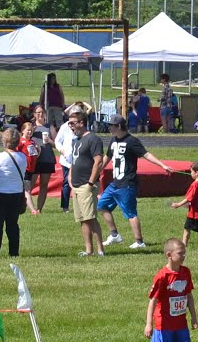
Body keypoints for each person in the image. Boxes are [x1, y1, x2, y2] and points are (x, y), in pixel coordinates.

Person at [100, 114, 172, 251]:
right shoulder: (113, 140)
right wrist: (98, 170)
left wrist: (162, 165)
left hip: (127, 184)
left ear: (119, 126)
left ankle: (139, 242)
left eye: (112, 126)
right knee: (102, 206)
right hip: (115, 183)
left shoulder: (132, 141)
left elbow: (146, 154)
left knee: (130, 213)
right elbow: (107, 157)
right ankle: (114, 235)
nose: (109, 128)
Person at [146, 237, 197, 342]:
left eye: (184, 253)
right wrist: (149, 323)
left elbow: (189, 295)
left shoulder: (185, 272)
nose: (183, 256)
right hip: (164, 322)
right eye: (180, 253)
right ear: (169, 254)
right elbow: (152, 301)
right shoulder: (162, 276)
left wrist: (194, 316)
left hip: (180, 321)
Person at [0, 127, 35, 259]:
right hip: (16, 194)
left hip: (0, 193)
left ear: (4, 142)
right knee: (12, 225)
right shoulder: (22, 157)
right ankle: (14, 251)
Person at [65, 105, 107, 256]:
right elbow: (75, 161)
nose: (70, 126)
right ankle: (89, 250)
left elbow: (98, 162)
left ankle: (100, 249)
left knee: (91, 218)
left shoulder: (93, 139)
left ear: (81, 122)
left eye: (72, 123)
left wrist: (90, 182)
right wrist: (70, 175)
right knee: (83, 219)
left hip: (86, 185)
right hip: (76, 185)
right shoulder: (76, 140)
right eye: (69, 123)